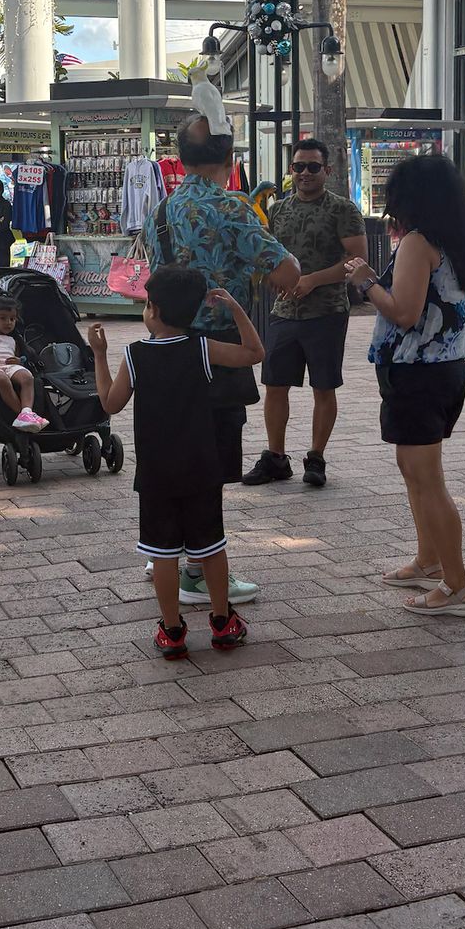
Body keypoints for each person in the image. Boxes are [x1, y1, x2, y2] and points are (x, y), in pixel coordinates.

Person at [143, 112, 301, 608]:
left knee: (174, 454)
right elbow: (288, 273)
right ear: (230, 159)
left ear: (181, 158)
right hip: (216, 353)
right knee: (208, 465)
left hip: (165, 351)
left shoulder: (161, 210)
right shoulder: (231, 208)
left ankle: (167, 552)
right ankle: (197, 570)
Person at [90, 268, 261, 657]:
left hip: (156, 473)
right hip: (202, 468)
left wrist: (98, 355)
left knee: (163, 554)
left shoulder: (135, 355)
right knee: (211, 547)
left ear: (152, 308)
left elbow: (110, 403)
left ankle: (172, 631)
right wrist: (236, 309)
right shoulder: (202, 348)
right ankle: (223, 623)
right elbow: (255, 353)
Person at [342, 153, 465, 617]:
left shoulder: (418, 243)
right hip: (441, 370)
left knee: (428, 479)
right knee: (414, 469)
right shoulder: (453, 240)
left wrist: (366, 282)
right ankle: (429, 559)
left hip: (420, 374)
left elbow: (404, 311)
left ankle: (458, 587)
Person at [244, 139, 366, 489]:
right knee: (274, 385)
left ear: (327, 170)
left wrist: (313, 280)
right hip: (284, 312)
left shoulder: (342, 209)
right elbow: (268, 254)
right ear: (291, 170)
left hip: (327, 312)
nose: (305, 173)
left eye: (313, 167)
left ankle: (316, 457)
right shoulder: (278, 210)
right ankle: (275, 457)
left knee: (323, 387)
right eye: (299, 167)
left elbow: (358, 260)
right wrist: (269, 274)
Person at [0, 299, 47, 432]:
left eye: (12, 319)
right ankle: (22, 415)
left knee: (27, 377)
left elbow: (17, 357)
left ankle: (27, 412)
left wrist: (18, 360)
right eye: (3, 318)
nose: (8, 322)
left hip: (9, 366)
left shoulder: (13, 339)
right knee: (2, 380)